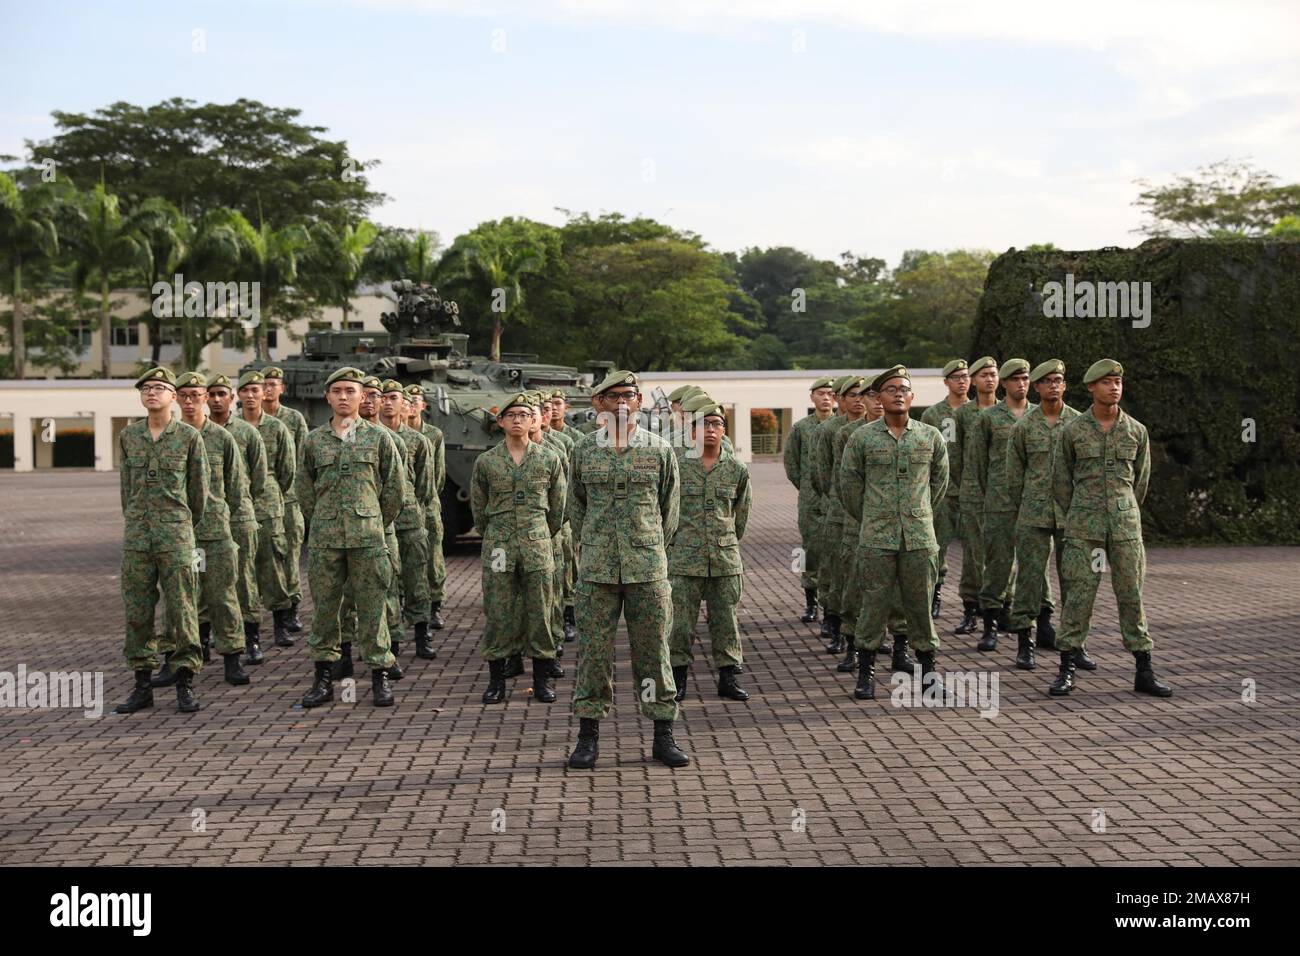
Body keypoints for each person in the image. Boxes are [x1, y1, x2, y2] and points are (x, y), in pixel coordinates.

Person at [566, 370, 688, 770]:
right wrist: (595, 543)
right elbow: (576, 505)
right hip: (598, 570)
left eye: (629, 395)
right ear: (598, 403)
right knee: (594, 654)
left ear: (639, 402)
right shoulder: (583, 451)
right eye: (612, 395)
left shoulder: (659, 451)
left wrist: (648, 546)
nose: (621, 401)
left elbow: (670, 512)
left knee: (654, 653)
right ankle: (588, 737)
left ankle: (662, 735)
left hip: (648, 569)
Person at [1049, 360, 1172, 698]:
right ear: (1091, 387)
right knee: (1078, 597)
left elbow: (1140, 482)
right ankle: (1067, 668)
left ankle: (1144, 669)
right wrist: (1081, 510)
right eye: (1106, 382)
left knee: (1132, 596)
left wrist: (1124, 509)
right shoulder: (1073, 431)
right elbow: (1061, 481)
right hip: (1083, 527)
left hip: (1124, 527)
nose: (1114, 387)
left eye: (1117, 381)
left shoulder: (1136, 430)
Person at [296, 367, 405, 708]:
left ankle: (379, 677)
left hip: (368, 539)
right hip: (326, 542)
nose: (343, 396)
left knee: (373, 611)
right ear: (327, 397)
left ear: (362, 397)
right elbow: (304, 489)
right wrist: (324, 522)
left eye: (350, 391)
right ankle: (324, 678)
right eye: (337, 391)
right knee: (326, 612)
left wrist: (371, 521)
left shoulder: (379, 438)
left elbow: (394, 490)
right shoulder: (314, 440)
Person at [839, 365, 948, 701]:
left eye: (904, 388)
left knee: (920, 606)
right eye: (890, 389)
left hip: (919, 537)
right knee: (872, 605)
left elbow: (939, 485)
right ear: (879, 398)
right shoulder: (862, 438)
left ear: (912, 397)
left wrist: (918, 514)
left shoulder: (931, 437)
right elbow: (850, 488)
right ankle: (866, 673)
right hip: (876, 537)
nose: (898, 393)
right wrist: (875, 516)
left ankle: (929, 672)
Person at [114, 367, 209, 715]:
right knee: (137, 611)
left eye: (160, 388)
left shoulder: (188, 437)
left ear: (173, 396)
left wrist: (181, 523)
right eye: (146, 388)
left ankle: (185, 682)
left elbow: (199, 493)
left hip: (176, 534)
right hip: (138, 537)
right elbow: (127, 490)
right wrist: (138, 521)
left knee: (182, 609)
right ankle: (142, 685)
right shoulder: (129, 436)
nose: (151, 393)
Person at [152, 372, 251, 689]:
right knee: (179, 599)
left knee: (222, 596)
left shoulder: (222, 439)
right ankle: (174, 658)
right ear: (176, 399)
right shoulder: (167, 437)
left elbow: (237, 489)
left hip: (215, 533)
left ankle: (232, 658)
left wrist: (221, 517)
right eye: (185, 395)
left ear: (206, 398)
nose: (191, 400)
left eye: (197, 394)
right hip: (180, 535)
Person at [470, 391, 567, 704]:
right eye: (511, 415)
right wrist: (495, 533)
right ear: (500, 422)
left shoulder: (549, 459)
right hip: (499, 546)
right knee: (499, 610)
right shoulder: (486, 462)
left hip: (537, 543)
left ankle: (541, 680)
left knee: (541, 610)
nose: (517, 420)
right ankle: (497, 679)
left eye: (524, 415)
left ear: (534, 420)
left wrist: (540, 533)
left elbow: (558, 509)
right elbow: (478, 507)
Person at [668, 400, 752, 702]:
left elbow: (740, 515)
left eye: (717, 425)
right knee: (679, 622)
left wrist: (724, 539)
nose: (711, 430)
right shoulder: (677, 465)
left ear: (724, 431)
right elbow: (665, 508)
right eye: (704, 424)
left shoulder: (736, 469)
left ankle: (728, 677)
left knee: (726, 620)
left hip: (724, 557)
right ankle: (677, 679)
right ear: (692, 431)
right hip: (684, 558)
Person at [1005, 359, 1080, 670]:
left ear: (1064, 385)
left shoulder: (1079, 423)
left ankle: (1076, 645)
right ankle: (1026, 643)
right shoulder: (1024, 426)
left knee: (1075, 581)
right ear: (1037, 387)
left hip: (1071, 514)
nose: (1053, 385)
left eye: (1058, 380)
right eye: (1047, 381)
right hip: (1033, 513)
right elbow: (1013, 474)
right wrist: (1023, 506)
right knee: (1029, 579)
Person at [970, 358, 1032, 650]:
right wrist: (992, 494)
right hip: (999, 501)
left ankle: (1034, 625)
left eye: (1025, 378)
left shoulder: (1038, 416)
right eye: (1015, 379)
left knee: (1034, 567)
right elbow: (978, 464)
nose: (1021, 384)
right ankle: (990, 625)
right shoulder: (989, 418)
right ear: (1005, 383)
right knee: (997, 563)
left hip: (1035, 502)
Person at [207, 374, 269, 665]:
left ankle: (251, 638)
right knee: (200, 577)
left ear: (230, 398)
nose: (216, 399)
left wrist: (242, 504)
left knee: (243, 578)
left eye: (222, 393)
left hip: (239, 519)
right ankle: (202, 636)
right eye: (212, 394)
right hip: (203, 521)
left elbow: (258, 479)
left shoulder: (246, 433)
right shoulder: (193, 433)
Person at [236, 370, 296, 649]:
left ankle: (281, 623)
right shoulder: (230, 428)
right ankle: (247, 630)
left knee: (273, 565)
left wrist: (273, 494)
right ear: (239, 395)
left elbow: (288, 471)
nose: (250, 395)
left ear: (264, 393)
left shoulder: (278, 427)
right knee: (241, 570)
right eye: (245, 390)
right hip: (237, 505)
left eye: (255, 390)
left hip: (270, 504)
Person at [380, 379, 435, 659]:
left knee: (416, 578)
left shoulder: (418, 441)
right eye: (384, 397)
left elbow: (426, 486)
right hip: (380, 522)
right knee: (387, 580)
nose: (389, 402)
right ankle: (393, 638)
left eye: (394, 397)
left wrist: (414, 508)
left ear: (404, 403)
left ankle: (422, 633)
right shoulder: (372, 436)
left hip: (410, 518)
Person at [783, 376, 837, 624]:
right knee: (809, 551)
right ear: (812, 397)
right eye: (821, 393)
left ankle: (832, 607)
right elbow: (791, 463)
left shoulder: (842, 426)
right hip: (810, 501)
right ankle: (810, 602)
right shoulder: (802, 428)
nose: (826, 398)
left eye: (830, 393)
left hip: (836, 499)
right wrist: (806, 487)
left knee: (834, 553)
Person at [811, 376, 858, 654]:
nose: (857, 399)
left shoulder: (875, 429)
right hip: (839, 512)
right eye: (850, 394)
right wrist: (834, 500)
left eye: (861, 394)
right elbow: (821, 473)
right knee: (839, 573)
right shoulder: (831, 431)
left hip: (869, 516)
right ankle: (839, 627)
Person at [919, 360, 970, 620]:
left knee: (975, 550)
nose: (962, 381)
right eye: (956, 377)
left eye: (965, 376)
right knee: (937, 547)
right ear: (946, 382)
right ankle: (934, 594)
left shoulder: (978, 412)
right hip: (943, 491)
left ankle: (974, 606)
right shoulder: (933, 414)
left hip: (974, 491)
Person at [260, 366, 309, 633]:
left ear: (282, 389)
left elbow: (300, 461)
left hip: (288, 499)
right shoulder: (241, 421)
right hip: (256, 501)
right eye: (264, 384)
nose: (268, 388)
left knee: (289, 554)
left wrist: (289, 492)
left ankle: (292, 607)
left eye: (273, 384)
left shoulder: (293, 419)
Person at [953, 356, 999, 636]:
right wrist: (965, 485)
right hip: (971, 492)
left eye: (993, 374)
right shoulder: (963, 415)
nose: (988, 379)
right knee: (973, 554)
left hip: (1003, 494)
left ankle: (999, 609)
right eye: (982, 375)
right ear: (973, 380)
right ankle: (970, 609)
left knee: (1003, 554)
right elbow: (955, 456)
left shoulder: (1010, 412)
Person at [406, 385, 448, 632]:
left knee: (433, 557)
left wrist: (426, 499)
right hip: (403, 505)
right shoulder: (389, 434)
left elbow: (438, 475)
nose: (411, 404)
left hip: (428, 503)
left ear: (424, 406)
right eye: (408, 399)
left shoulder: (433, 435)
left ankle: (435, 606)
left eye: (416, 400)